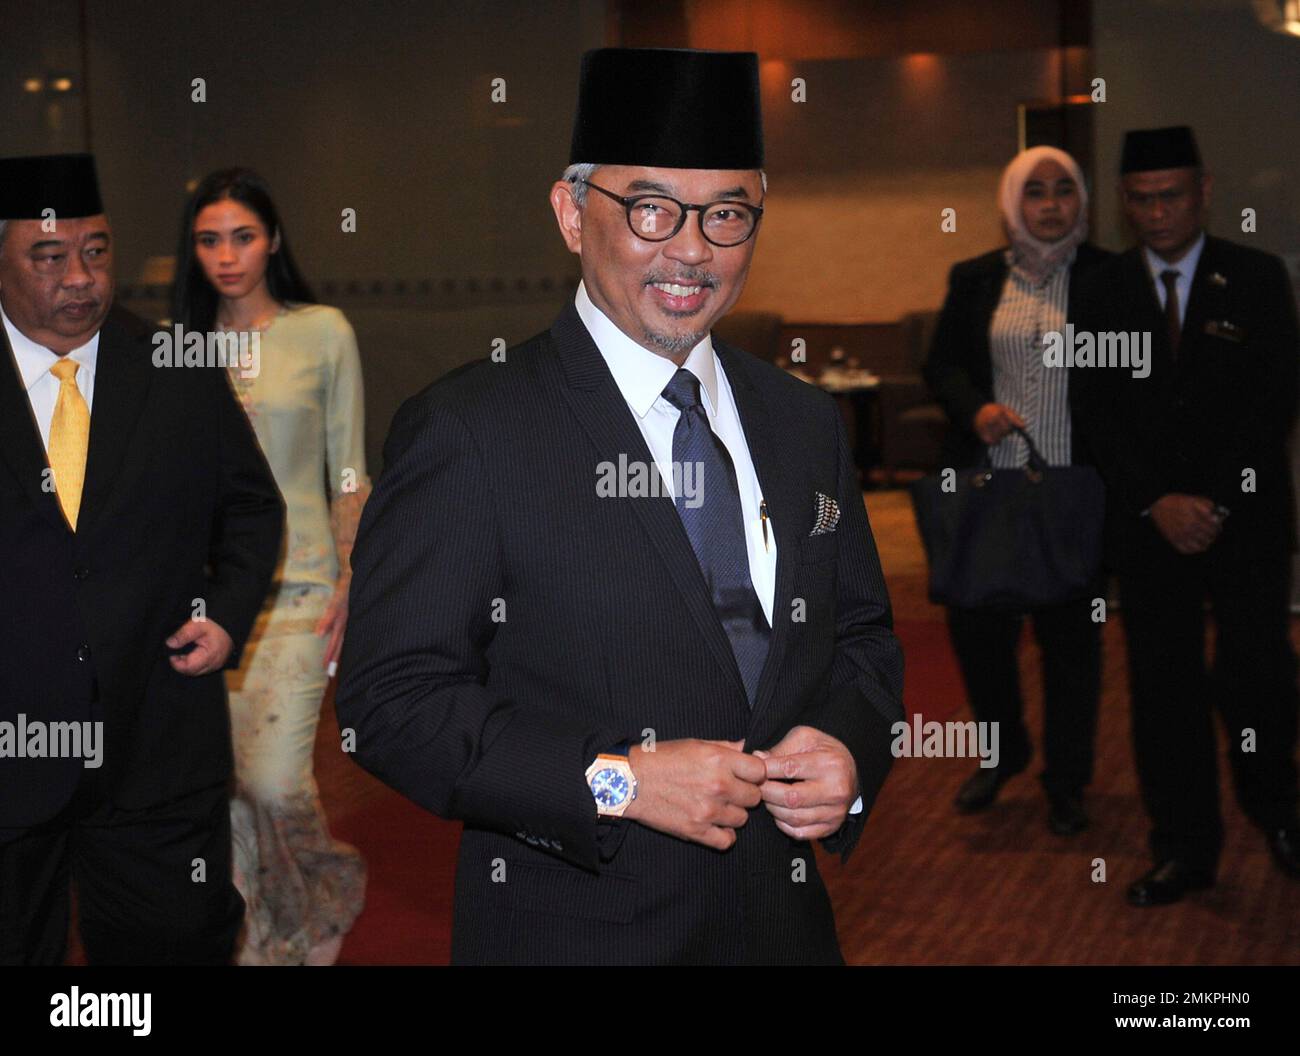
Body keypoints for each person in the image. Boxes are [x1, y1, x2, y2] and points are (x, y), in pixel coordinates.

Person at [336, 47, 904, 965]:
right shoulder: (472, 430)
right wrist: (617, 784)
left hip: (782, 929)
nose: (690, 249)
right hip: (575, 935)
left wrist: (849, 747)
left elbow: (866, 640)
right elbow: (390, 702)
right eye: (649, 209)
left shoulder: (801, 421)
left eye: (726, 215)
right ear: (571, 213)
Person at [0, 153, 283, 964]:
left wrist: (228, 616)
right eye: (49, 257)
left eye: (96, 251)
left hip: (155, 741)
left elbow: (252, 508)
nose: (80, 277)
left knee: (174, 944)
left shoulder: (174, 365)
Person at [1074, 126, 1300, 906]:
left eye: (1171, 195)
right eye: (1140, 198)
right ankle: (1183, 845)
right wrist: (1155, 501)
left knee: (1257, 673)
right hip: (1149, 526)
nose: (1156, 211)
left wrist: (1216, 501)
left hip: (1246, 518)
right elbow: (1094, 412)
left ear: (1204, 192)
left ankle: (1280, 812)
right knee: (1161, 687)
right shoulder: (1102, 291)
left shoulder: (1259, 277)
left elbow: (1275, 402)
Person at [172, 168, 369, 963]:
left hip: (302, 592)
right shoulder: (177, 348)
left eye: (243, 236)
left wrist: (354, 580)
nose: (227, 256)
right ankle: (257, 934)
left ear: (274, 241)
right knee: (225, 789)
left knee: (275, 783)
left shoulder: (323, 331)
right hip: (211, 602)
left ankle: (324, 899)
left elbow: (347, 472)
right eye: (209, 239)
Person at [922, 146, 1111, 835]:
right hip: (990, 491)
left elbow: (1131, 383)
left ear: (1082, 201)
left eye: (1065, 190)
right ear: (1012, 205)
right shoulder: (973, 278)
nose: (1052, 204)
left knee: (1071, 647)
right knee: (979, 635)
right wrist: (975, 408)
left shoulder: (1111, 278)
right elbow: (941, 362)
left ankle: (1067, 779)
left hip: (1076, 492)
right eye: (1036, 192)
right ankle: (1003, 756)